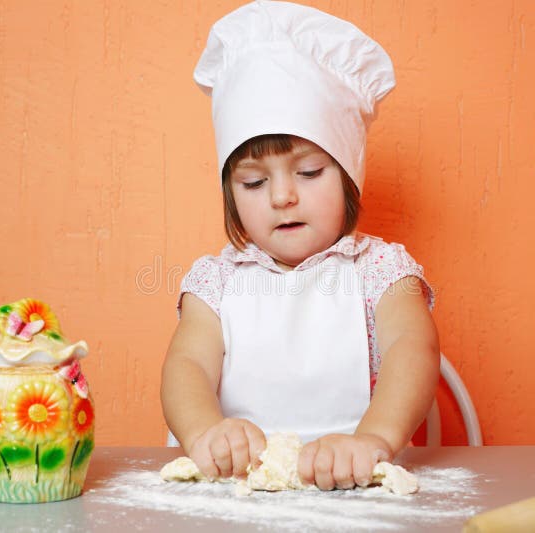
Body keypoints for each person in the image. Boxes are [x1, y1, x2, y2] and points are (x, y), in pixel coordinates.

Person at [160, 0, 440, 491]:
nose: (283, 196)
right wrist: (207, 433)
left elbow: (413, 349)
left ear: (349, 178)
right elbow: (187, 366)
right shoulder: (216, 282)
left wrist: (373, 440)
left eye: (309, 172)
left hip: (358, 488)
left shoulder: (382, 271)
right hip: (236, 492)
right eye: (252, 183)